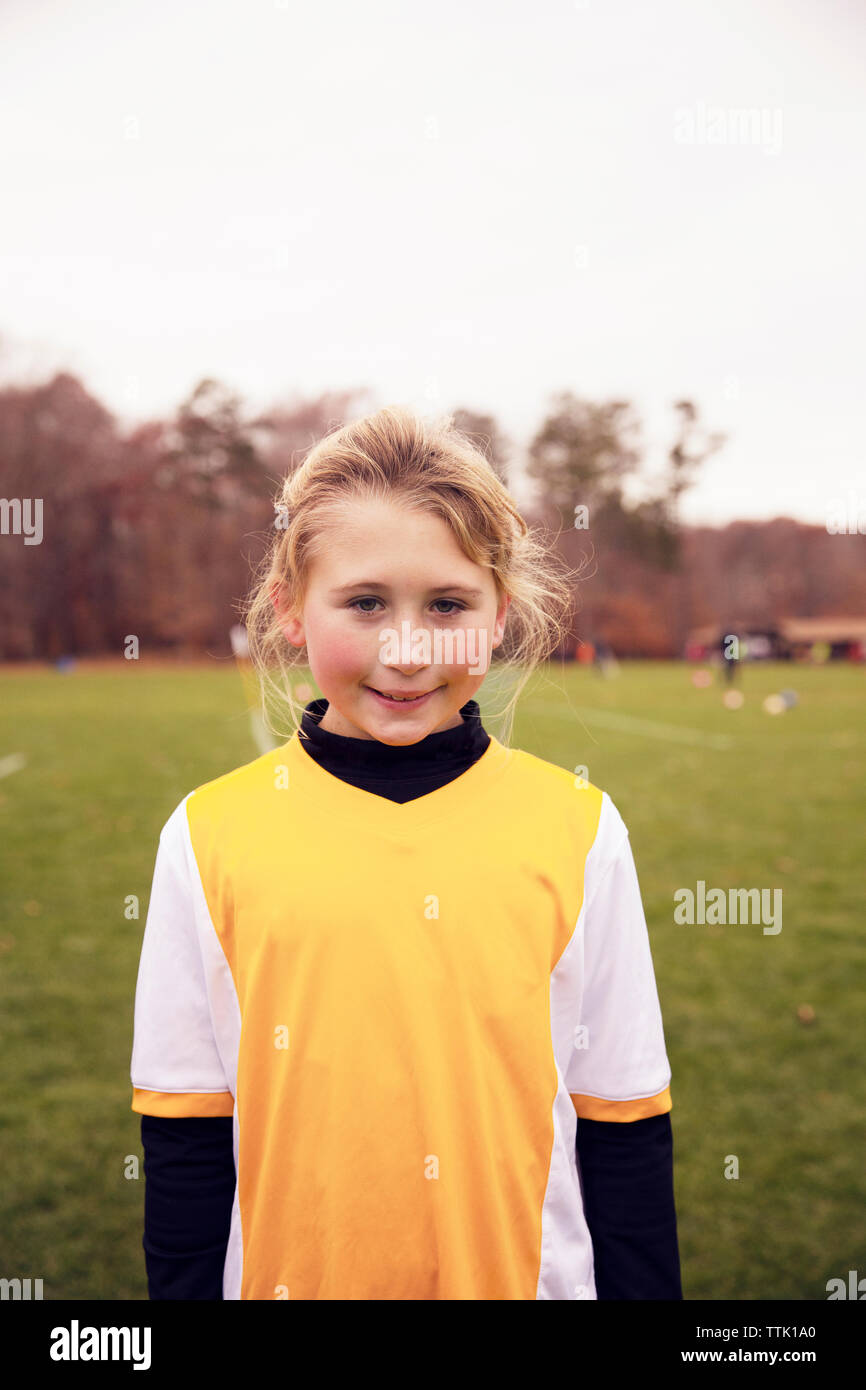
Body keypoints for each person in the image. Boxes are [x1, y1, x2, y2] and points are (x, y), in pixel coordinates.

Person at [130, 405, 682, 1301]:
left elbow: (624, 1126)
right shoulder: (207, 835)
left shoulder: (581, 828)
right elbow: (185, 1135)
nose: (409, 649)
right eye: (365, 602)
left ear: (501, 615)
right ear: (290, 610)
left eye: (449, 605)